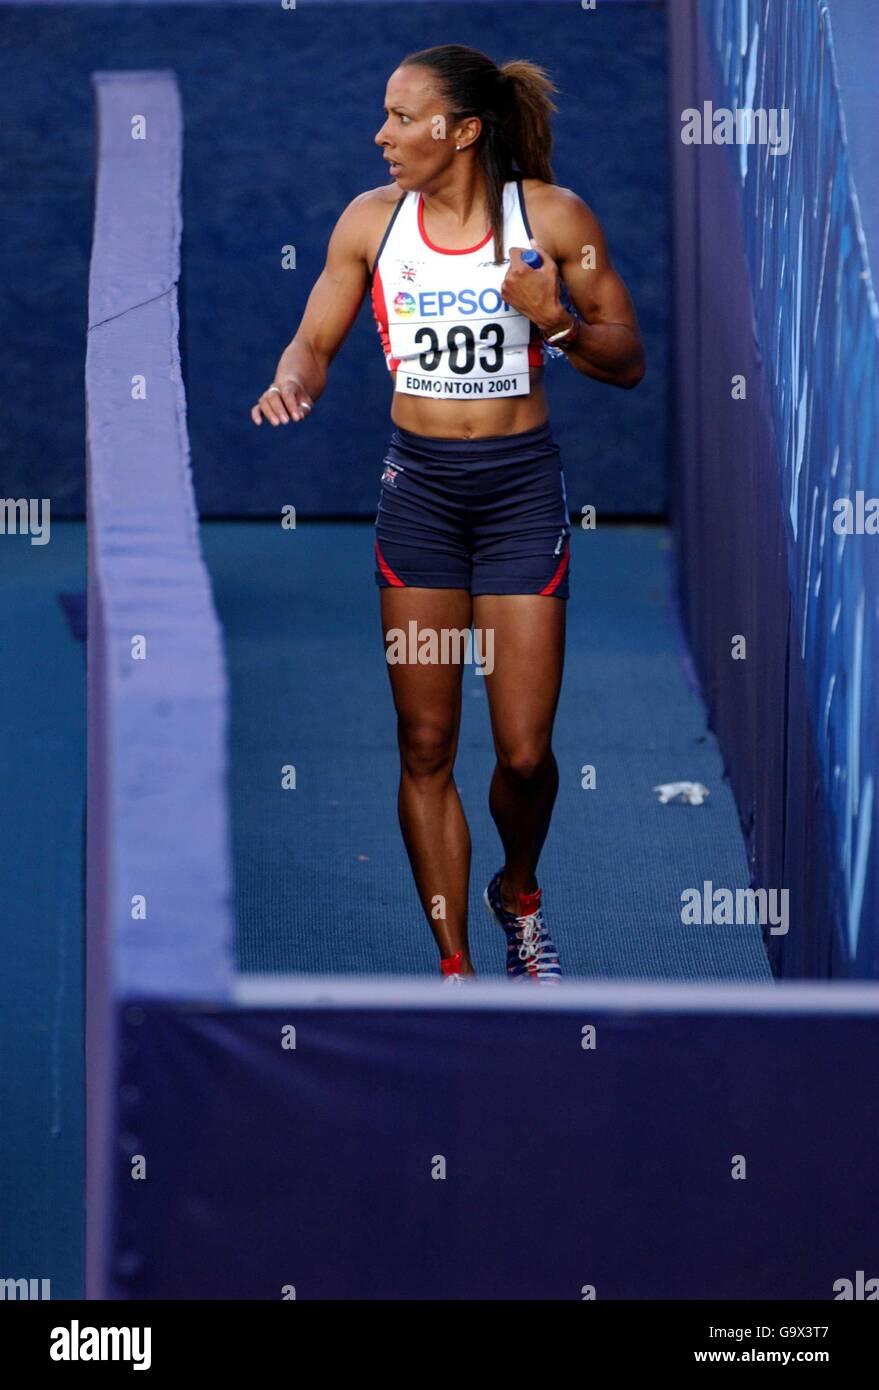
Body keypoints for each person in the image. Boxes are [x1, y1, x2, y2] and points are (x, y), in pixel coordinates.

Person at [251, 44, 645, 984]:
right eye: (383, 116)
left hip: (516, 494)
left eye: (401, 117)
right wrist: (290, 382)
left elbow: (625, 358)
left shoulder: (549, 217)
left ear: (462, 132)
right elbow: (313, 341)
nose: (381, 135)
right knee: (426, 742)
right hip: (420, 494)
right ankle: (456, 969)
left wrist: (553, 319)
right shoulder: (369, 223)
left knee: (522, 753)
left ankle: (518, 890)